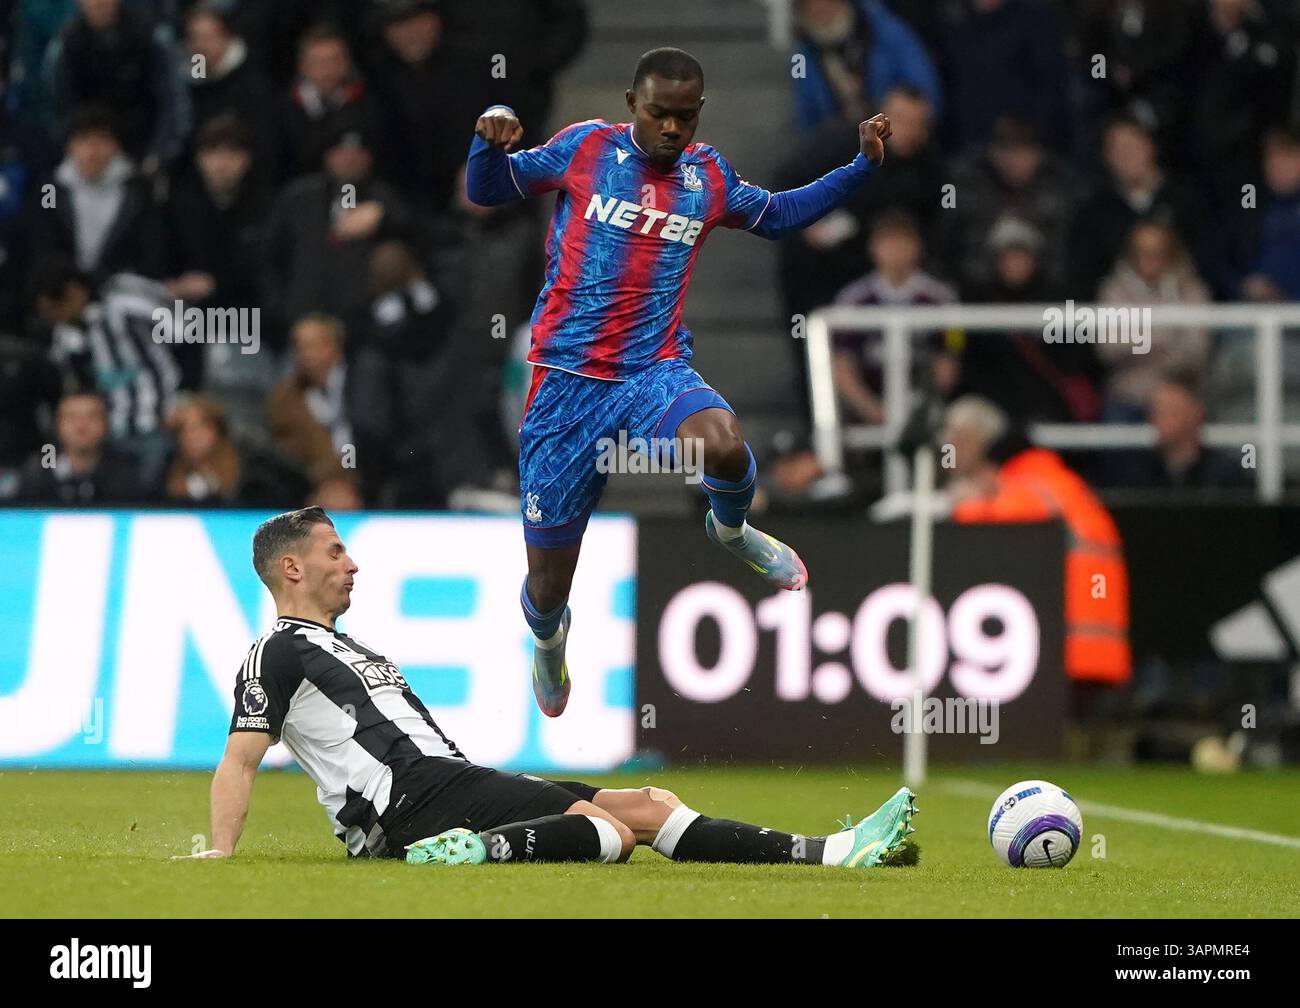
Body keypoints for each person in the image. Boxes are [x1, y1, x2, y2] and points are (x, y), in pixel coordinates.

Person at [466, 47, 893, 716]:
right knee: (547, 587)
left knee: (722, 441)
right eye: (660, 114)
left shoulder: (708, 177)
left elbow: (779, 215)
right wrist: (486, 146)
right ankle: (549, 642)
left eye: (685, 118)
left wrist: (859, 167)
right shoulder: (584, 151)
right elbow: (488, 191)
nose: (673, 129)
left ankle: (733, 532)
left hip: (651, 370)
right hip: (566, 386)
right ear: (634, 104)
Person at [176, 506, 919, 866]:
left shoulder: (345, 648)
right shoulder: (277, 651)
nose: (354, 563)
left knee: (646, 806)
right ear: (292, 569)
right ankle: (458, 853)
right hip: (412, 800)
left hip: (446, 782)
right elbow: (241, 757)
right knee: (608, 833)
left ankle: (828, 852)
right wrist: (221, 852)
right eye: (335, 551)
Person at [944, 396, 1131, 687]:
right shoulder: (1062, 485)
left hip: (1068, 654)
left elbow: (980, 535)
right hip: (1095, 649)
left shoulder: (1025, 490)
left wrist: (961, 504)